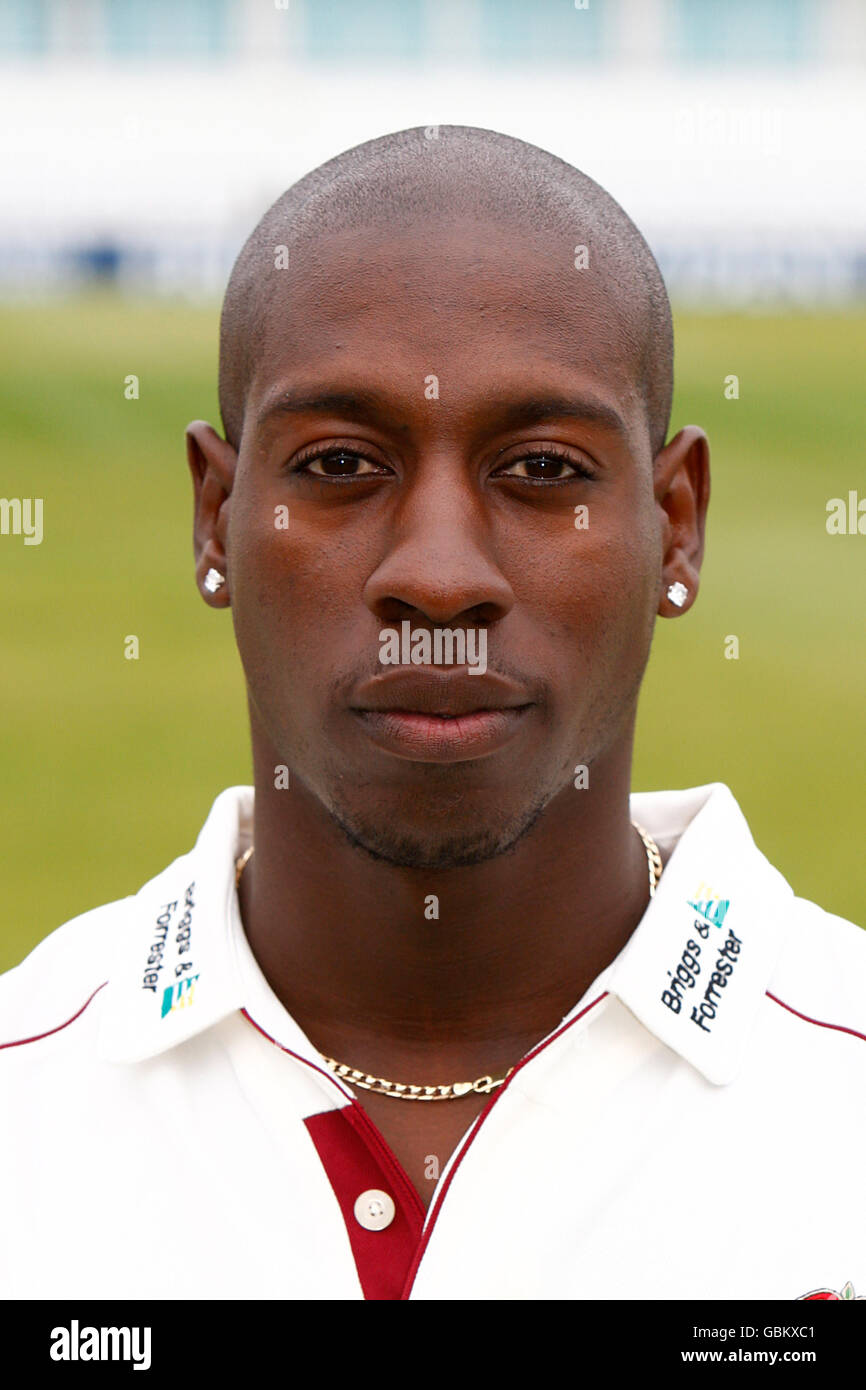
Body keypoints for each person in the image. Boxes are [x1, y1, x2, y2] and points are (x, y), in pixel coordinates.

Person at [2, 126, 864, 1302]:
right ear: (216, 516)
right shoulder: (27, 1107)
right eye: (342, 463)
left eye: (545, 470)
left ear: (677, 523)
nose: (441, 576)